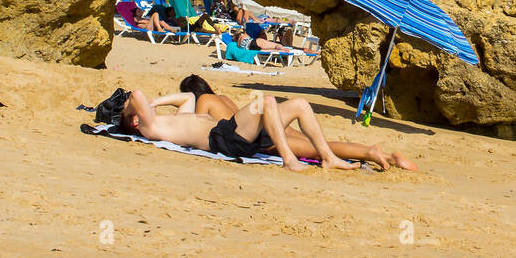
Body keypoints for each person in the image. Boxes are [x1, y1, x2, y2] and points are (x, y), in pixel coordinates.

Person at [175, 75, 416, 170]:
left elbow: (199, 125)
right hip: (270, 121)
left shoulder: (203, 100)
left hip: (262, 135)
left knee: (317, 149)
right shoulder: (223, 97)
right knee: (320, 142)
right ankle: (387, 156)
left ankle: (371, 153)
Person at [119, 88, 357, 173]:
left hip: (231, 133)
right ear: (135, 120)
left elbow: (188, 96)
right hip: (223, 140)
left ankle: (329, 158)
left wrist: (156, 103)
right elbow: (136, 95)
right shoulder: (152, 128)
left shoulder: (174, 119)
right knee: (266, 102)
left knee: (300, 105)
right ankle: (289, 160)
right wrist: (130, 111)